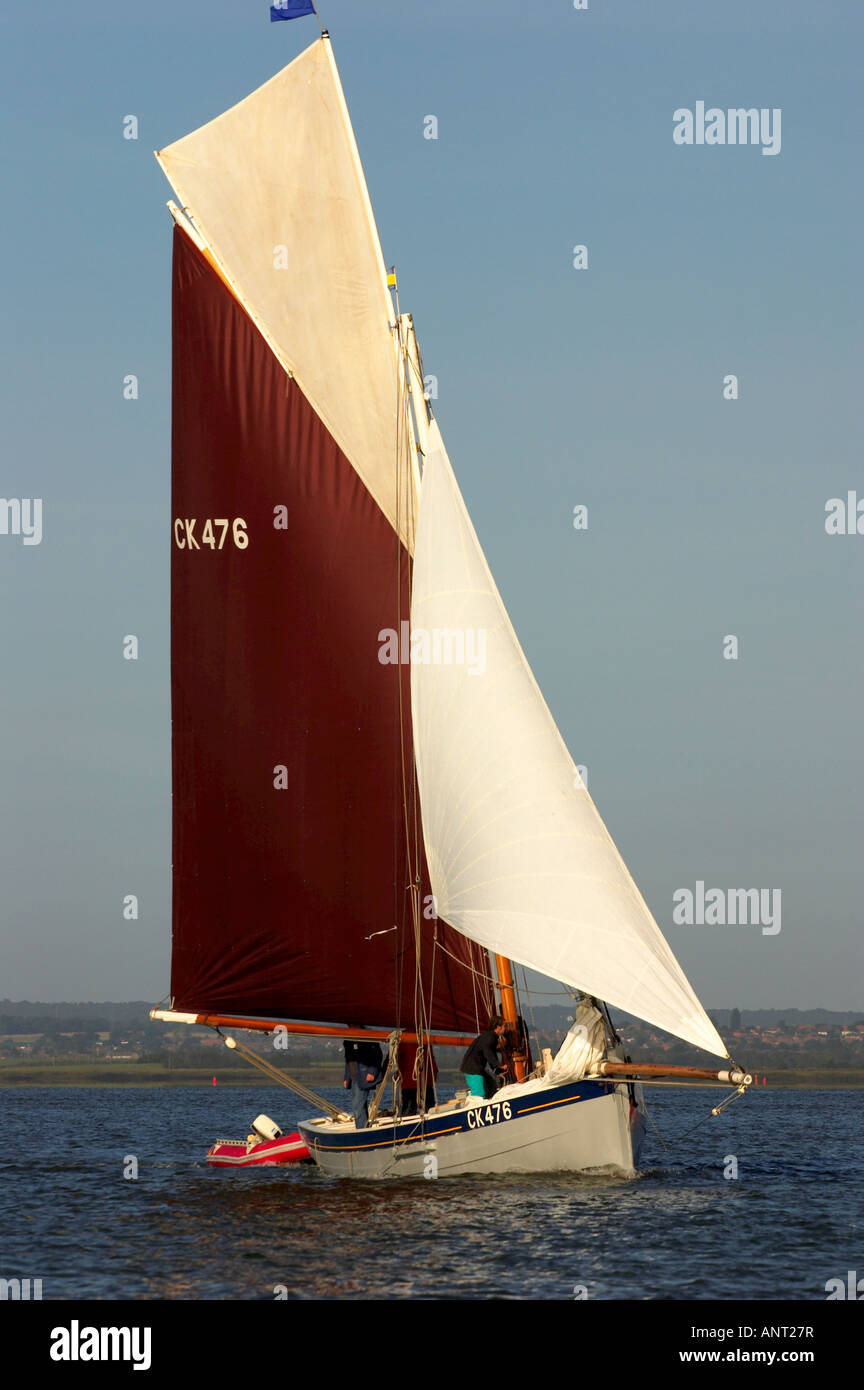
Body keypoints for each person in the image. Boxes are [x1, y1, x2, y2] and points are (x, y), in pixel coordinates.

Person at [460, 1015, 509, 1099]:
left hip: (477, 1068)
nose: (506, 1028)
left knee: (491, 1088)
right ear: (498, 1027)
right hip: (472, 1069)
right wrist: (499, 1065)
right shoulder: (490, 1038)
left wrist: (498, 1071)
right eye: (505, 1026)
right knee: (479, 1095)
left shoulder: (491, 1037)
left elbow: (490, 1054)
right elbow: (488, 1053)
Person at [343, 1038, 384, 1129]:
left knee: (357, 1105)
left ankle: (361, 1129)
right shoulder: (347, 1040)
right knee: (360, 1105)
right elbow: (347, 1061)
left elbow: (377, 1056)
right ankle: (364, 1128)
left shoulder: (367, 1037)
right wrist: (346, 1077)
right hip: (354, 1078)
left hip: (364, 1076)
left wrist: (372, 1072)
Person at [397, 1038, 438, 1116]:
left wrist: (434, 1072)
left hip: (420, 1081)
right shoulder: (405, 1037)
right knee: (413, 1110)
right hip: (412, 1081)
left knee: (427, 1109)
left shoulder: (423, 1037)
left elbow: (430, 1058)